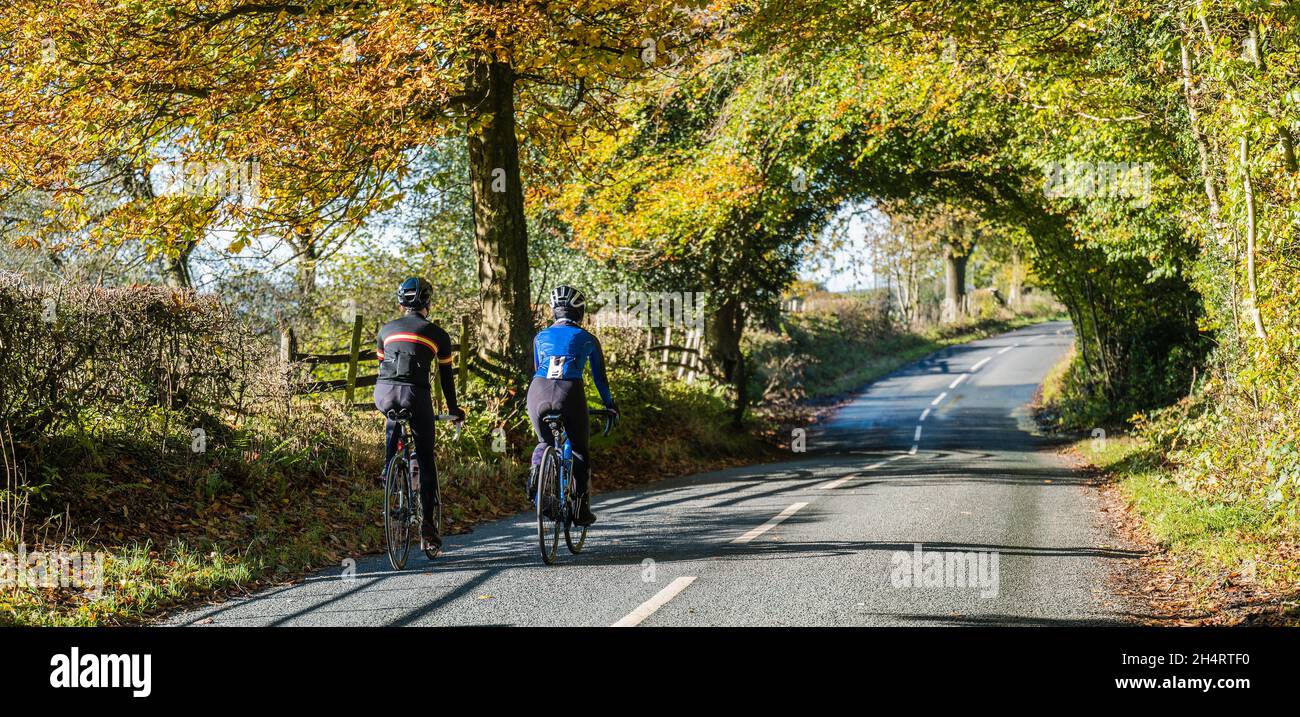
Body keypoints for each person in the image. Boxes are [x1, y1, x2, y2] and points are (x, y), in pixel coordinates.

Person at [374, 277, 465, 554]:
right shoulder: (437, 335)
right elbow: (447, 380)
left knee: (394, 418)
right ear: (427, 302)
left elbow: (384, 368)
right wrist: (454, 410)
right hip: (415, 396)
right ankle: (427, 529)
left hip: (383, 394)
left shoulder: (385, 330)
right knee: (425, 458)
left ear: (400, 302)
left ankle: (390, 466)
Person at [526, 285, 617, 526]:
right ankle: (580, 509)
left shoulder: (540, 336)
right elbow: (600, 380)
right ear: (580, 311)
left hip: (538, 391)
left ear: (553, 311)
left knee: (544, 441)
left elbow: (538, 368)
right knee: (578, 449)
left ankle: (537, 475)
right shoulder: (588, 338)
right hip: (569, 391)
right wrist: (610, 405)